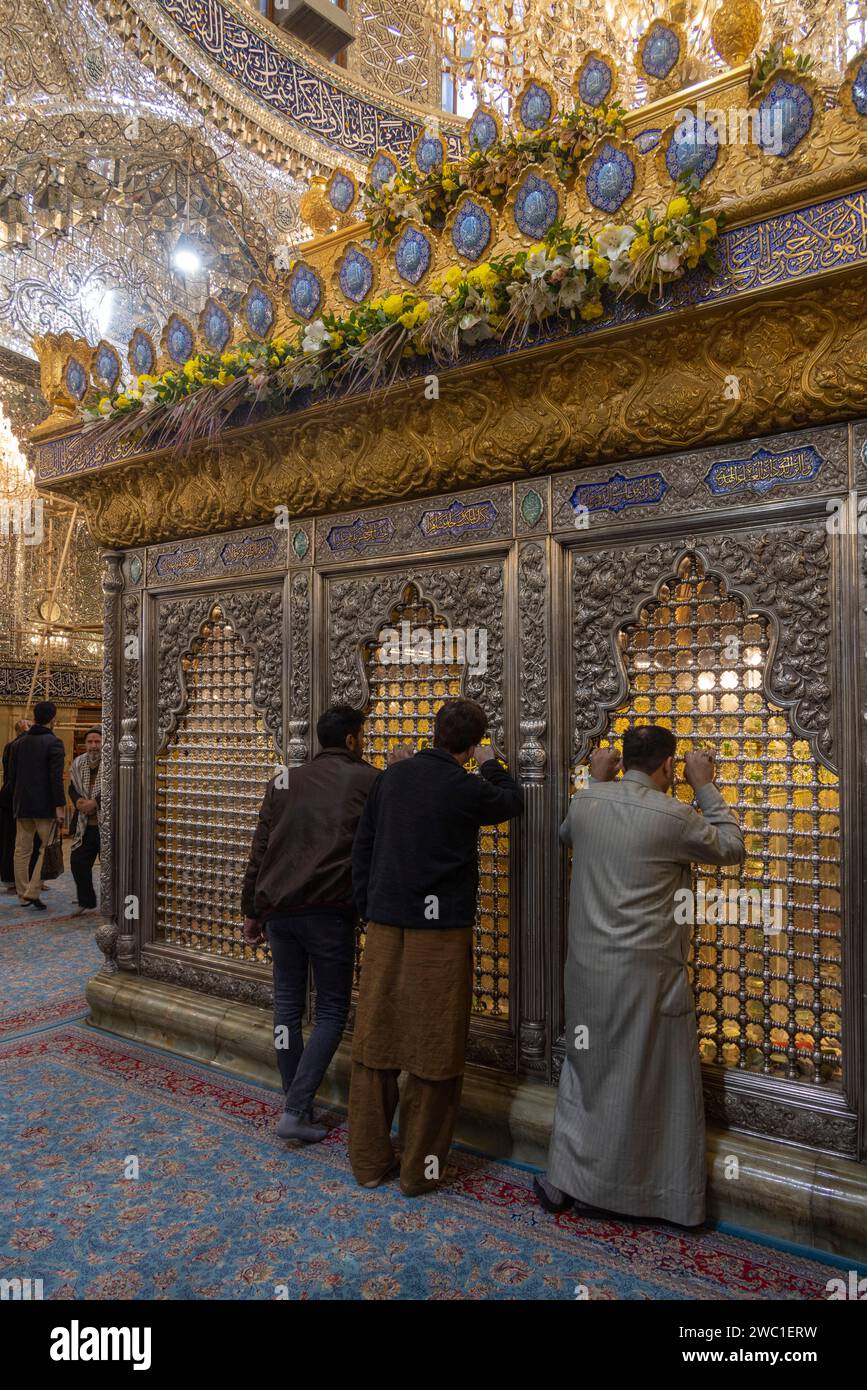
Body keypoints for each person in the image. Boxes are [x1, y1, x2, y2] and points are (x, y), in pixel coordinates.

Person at [535, 725, 745, 1229]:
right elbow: (733, 847)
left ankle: (571, 1181)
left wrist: (592, 779)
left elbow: (566, 833)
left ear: (622, 759)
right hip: (646, 975)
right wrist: (705, 785)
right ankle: (660, 1197)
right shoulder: (674, 815)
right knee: (652, 1081)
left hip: (587, 969)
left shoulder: (587, 804)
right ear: (669, 766)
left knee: (586, 1075)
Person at [349, 697, 524, 1197]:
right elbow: (512, 802)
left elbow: (363, 847)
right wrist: (493, 763)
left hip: (386, 926)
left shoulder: (390, 778)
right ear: (469, 746)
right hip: (440, 933)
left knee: (375, 1045)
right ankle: (417, 1173)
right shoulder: (465, 784)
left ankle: (367, 1163)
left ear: (433, 732)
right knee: (434, 1052)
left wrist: (370, 906)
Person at [241, 706, 380, 1143]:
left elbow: (260, 848)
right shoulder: (369, 780)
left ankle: (294, 1101)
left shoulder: (283, 780)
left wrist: (251, 908)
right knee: (332, 1010)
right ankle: (296, 1107)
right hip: (328, 909)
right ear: (354, 739)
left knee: (287, 1006)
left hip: (279, 910)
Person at [10, 700, 66, 912]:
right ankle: (32, 891)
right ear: (53, 719)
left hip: (22, 804)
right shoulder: (54, 743)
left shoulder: (18, 743)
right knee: (47, 847)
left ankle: (23, 894)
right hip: (45, 806)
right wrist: (60, 806)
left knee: (22, 850)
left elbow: (12, 777)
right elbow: (55, 779)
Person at [68, 726, 103, 916]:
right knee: (78, 862)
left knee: (112, 868)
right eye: (90, 742)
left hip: (107, 826)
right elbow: (72, 787)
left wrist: (95, 803)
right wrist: (78, 802)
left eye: (97, 741)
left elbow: (115, 787)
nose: (93, 746)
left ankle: (113, 903)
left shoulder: (113, 763)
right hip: (84, 826)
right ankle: (86, 900)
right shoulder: (78, 763)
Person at [1, 718, 30, 890]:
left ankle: (28, 879)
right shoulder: (14, 746)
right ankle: (11, 879)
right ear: (22, 729)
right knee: (11, 841)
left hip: (21, 801)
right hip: (11, 800)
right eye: (30, 726)